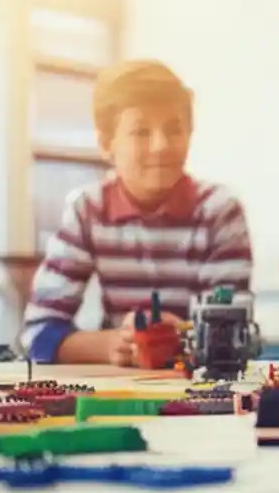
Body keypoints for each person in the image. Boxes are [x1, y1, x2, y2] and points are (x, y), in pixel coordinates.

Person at [20, 60, 253, 364]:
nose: (160, 146)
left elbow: (234, 333)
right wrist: (110, 346)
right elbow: (38, 333)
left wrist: (181, 337)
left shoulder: (219, 211)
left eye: (174, 129)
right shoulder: (88, 209)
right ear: (106, 143)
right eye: (141, 132)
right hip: (117, 381)